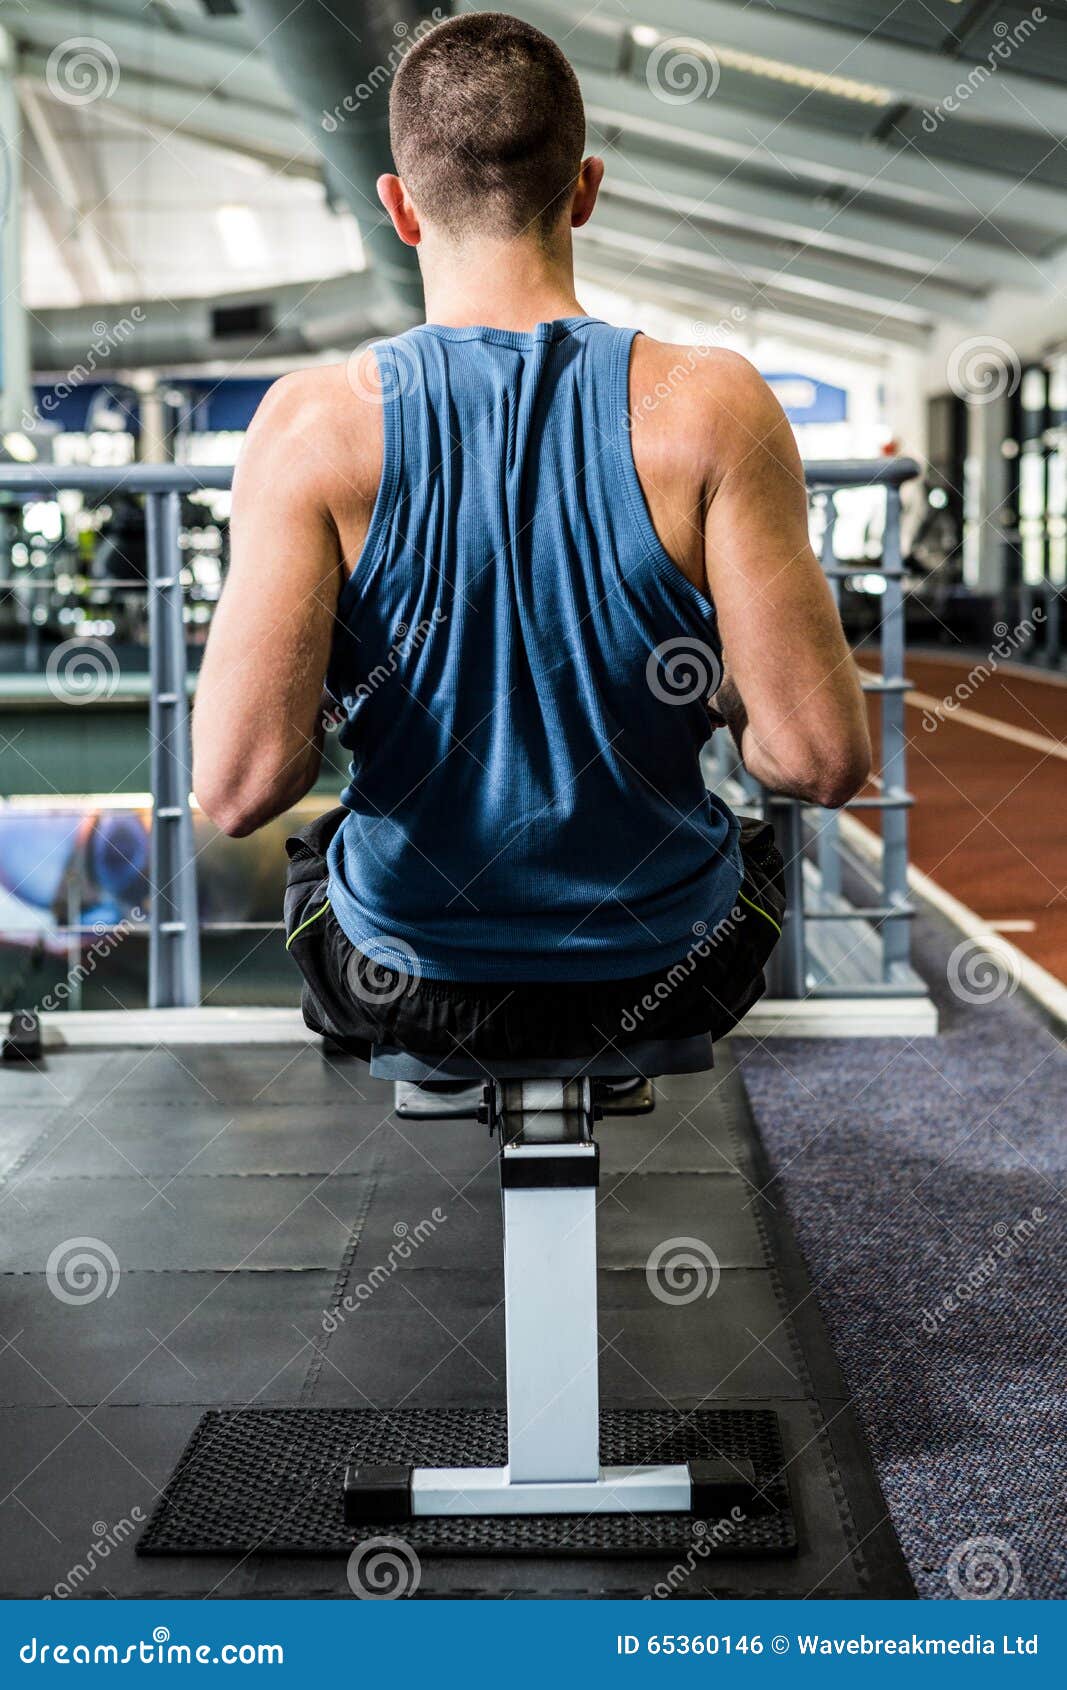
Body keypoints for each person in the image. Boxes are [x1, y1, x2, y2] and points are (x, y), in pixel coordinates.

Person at [192, 11, 870, 1060]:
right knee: (741, 849)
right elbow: (817, 761)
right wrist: (726, 682)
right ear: (585, 190)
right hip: (669, 965)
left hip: (407, 978)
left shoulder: (307, 425)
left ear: (400, 210)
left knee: (321, 850)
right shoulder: (714, 404)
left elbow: (238, 788)